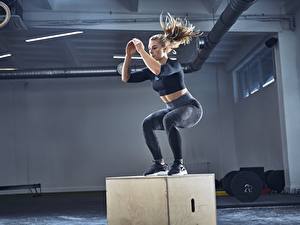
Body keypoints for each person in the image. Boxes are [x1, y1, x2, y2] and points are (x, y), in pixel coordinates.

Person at [121, 13, 203, 176]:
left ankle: (179, 165)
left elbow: (158, 70)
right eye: (149, 49)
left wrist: (141, 50)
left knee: (169, 119)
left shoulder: (174, 65)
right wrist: (129, 55)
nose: (151, 52)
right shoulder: (149, 71)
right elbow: (126, 78)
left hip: (190, 108)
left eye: (155, 48)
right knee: (147, 123)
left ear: (165, 49)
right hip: (171, 109)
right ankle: (159, 164)